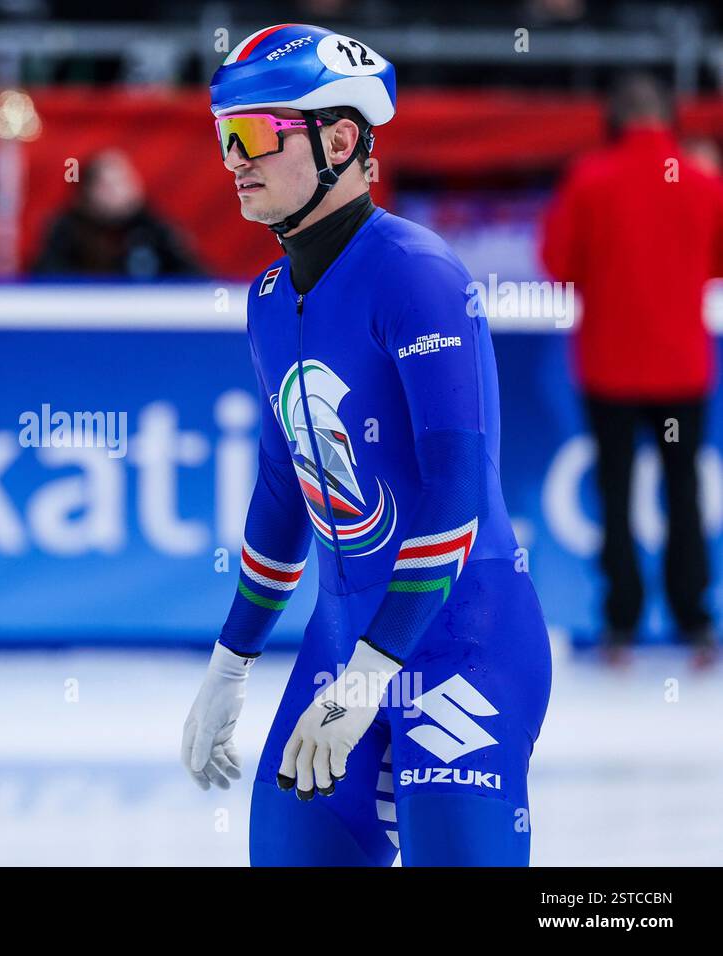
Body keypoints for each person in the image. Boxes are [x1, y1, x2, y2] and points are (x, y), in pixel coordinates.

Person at [181, 24, 551, 866]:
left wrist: (373, 671)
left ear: (341, 141)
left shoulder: (418, 273)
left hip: (463, 644)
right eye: (220, 137)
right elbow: (284, 491)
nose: (233, 159)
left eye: (252, 135)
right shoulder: (270, 298)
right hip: (343, 639)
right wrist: (231, 660)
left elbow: (455, 487)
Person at [541, 73, 723, 666]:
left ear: (614, 117)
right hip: (679, 368)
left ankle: (620, 627)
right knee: (685, 490)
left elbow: (559, 264)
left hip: (611, 367)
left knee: (615, 494)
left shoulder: (591, 179)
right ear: (670, 118)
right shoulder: (701, 181)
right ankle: (695, 625)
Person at [32, 149, 202, 277]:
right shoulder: (67, 230)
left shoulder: (155, 230)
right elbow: (46, 282)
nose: (118, 191)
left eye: (124, 181)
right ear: (87, 191)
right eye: (108, 185)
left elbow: (195, 279)